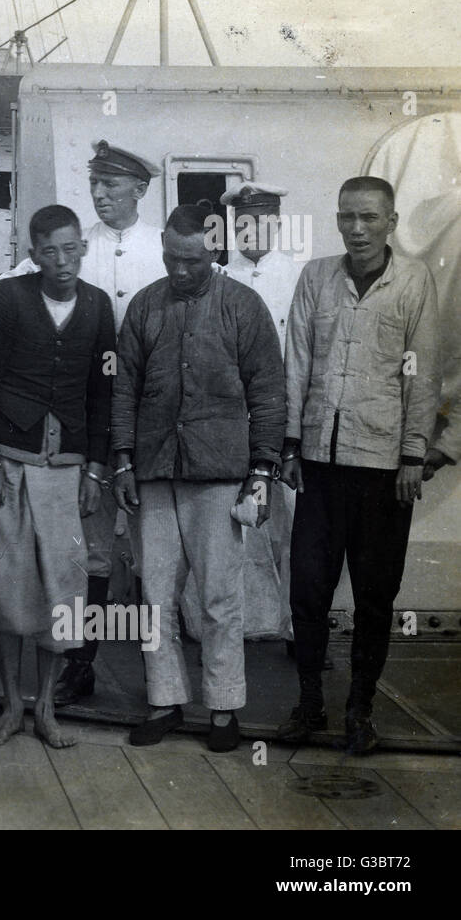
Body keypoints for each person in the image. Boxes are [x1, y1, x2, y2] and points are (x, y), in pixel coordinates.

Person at [111, 203, 284, 752]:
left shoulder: (243, 307)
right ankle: (165, 701)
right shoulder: (143, 307)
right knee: (156, 596)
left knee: (218, 597)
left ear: (213, 250)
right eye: (169, 258)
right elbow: (125, 390)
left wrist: (261, 473)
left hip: (219, 476)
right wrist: (122, 461)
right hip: (155, 473)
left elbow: (269, 394)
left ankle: (224, 707)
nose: (179, 270)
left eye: (190, 260)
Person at [279, 177, 440, 754]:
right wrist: (291, 446)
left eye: (370, 218)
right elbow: (296, 360)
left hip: (381, 468)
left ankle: (360, 711)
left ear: (391, 222)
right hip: (320, 465)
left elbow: (421, 372)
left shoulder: (414, 281)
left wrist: (414, 452)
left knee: (375, 597)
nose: (357, 229)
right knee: (308, 592)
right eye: (347, 217)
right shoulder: (316, 277)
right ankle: (310, 704)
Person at [0, 205, 115, 750]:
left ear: (82, 247)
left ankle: (46, 710)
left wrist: (96, 469)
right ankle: (11, 707)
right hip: (10, 462)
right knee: (12, 593)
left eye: (70, 248)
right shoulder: (7, 299)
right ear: (32, 254)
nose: (62, 261)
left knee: (65, 596)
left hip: (69, 469)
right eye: (49, 251)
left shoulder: (99, 306)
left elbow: (104, 393)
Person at [43, 140, 167, 708]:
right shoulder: (76, 250)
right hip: (90, 421)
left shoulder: (165, 251)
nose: (99, 195)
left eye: (112, 186)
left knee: (156, 553)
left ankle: (163, 684)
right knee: (89, 548)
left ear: (140, 190)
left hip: (154, 425)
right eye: (94, 184)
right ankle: (79, 665)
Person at [180, 182, 302, 643]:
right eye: (244, 223)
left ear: (276, 223)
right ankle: (233, 623)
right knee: (230, 525)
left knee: (288, 525)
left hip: (281, 416)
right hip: (233, 419)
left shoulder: (298, 276)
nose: (254, 231)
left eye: (263, 221)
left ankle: (292, 626)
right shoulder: (220, 281)